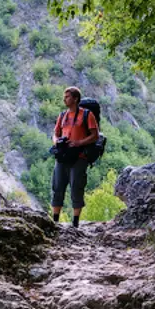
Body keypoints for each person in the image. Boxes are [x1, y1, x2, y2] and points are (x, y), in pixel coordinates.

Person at [50, 86, 98, 227]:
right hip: (63, 156)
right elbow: (55, 133)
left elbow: (94, 135)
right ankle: (55, 220)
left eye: (67, 96)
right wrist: (57, 142)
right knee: (57, 186)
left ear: (75, 98)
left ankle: (75, 222)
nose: (64, 99)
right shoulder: (62, 115)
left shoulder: (87, 115)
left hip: (79, 156)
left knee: (76, 187)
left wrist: (78, 143)